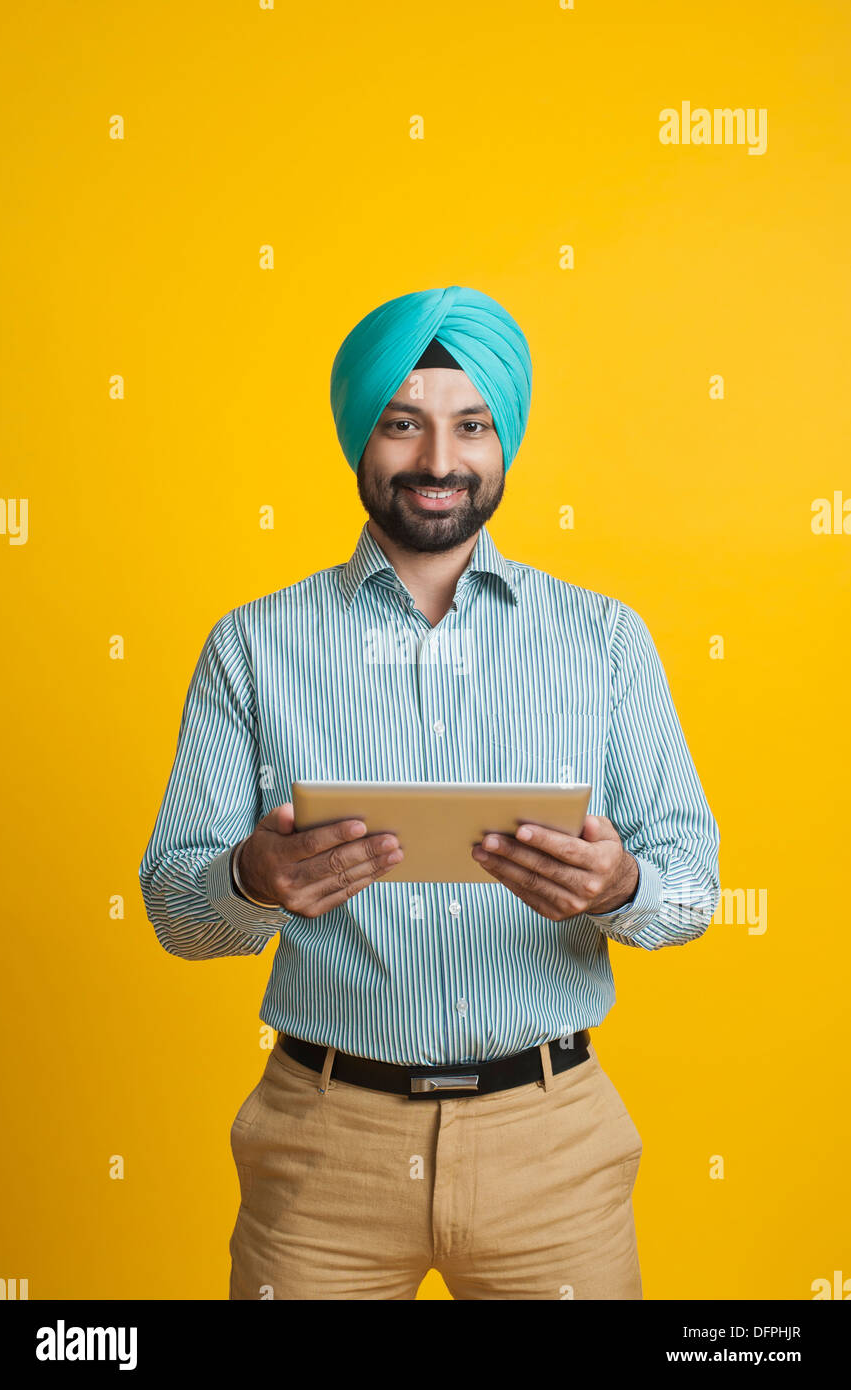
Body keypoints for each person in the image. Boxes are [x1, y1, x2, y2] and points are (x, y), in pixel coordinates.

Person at [139, 284, 721, 1301]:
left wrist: (620, 884)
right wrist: (250, 876)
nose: (439, 460)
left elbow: (694, 890)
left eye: (471, 425)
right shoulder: (253, 644)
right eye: (402, 422)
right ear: (359, 436)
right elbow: (174, 912)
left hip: (552, 1146)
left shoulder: (604, 640)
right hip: (322, 1146)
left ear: (506, 442)